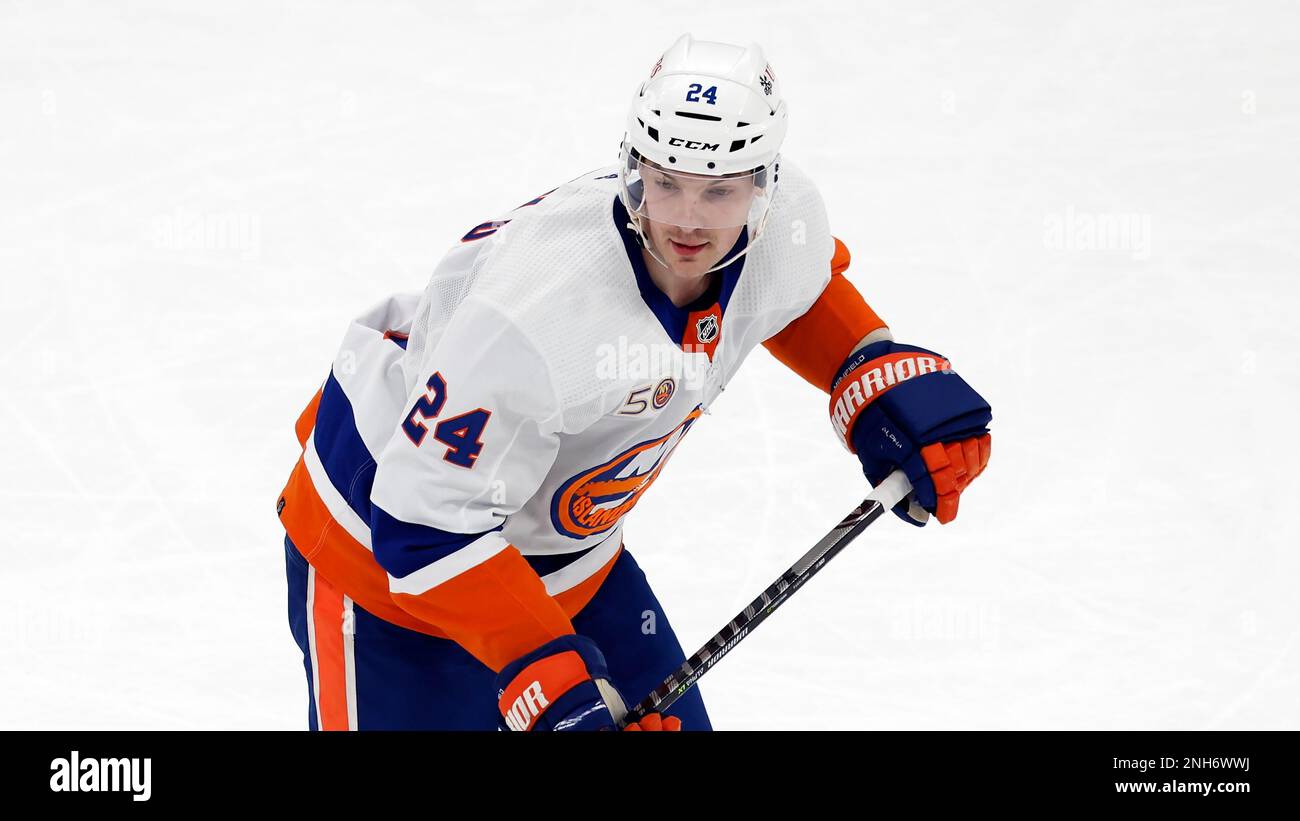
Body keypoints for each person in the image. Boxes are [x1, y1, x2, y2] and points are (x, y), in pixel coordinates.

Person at [277, 33, 992, 731]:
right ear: (634, 165)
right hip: (388, 574)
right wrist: (553, 684)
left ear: (763, 186)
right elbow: (421, 522)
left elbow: (793, 290)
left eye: (719, 191)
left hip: (568, 563)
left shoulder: (784, 225)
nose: (685, 219)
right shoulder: (534, 318)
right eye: (666, 182)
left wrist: (871, 371)